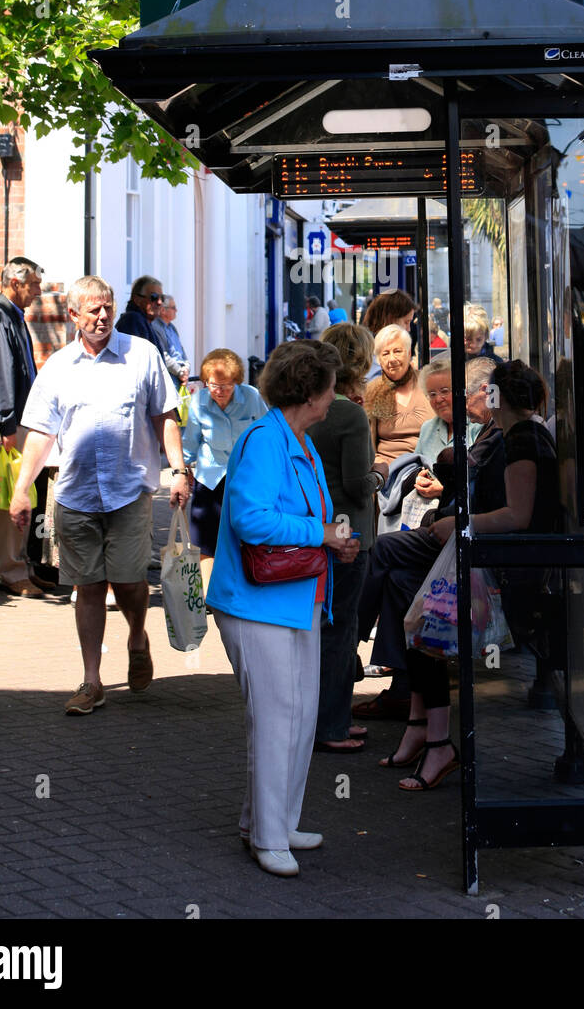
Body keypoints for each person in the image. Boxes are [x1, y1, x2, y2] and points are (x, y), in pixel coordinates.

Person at [206, 340, 360, 877]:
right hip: (258, 602)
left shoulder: (294, 438)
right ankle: (269, 835)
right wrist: (323, 533)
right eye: (329, 388)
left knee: (295, 719)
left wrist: (333, 537)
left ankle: (272, 823)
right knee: (277, 720)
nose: (334, 397)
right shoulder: (265, 441)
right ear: (311, 392)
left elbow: (295, 518)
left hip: (294, 599)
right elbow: (251, 520)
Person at [8, 275, 192, 715]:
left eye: (107, 306)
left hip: (129, 492)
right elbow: (39, 434)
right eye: (93, 309)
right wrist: (21, 490)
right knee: (87, 587)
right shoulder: (57, 367)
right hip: (74, 495)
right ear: (73, 315)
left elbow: (165, 416)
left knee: (129, 582)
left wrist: (180, 470)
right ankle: (92, 680)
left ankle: (136, 635)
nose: (103, 315)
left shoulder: (141, 355)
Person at [393, 359, 559, 790]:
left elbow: (518, 516)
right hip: (502, 564)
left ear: (497, 396)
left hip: (509, 575)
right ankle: (423, 728)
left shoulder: (522, 439)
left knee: (412, 600)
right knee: (403, 591)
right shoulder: (519, 433)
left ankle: (432, 735)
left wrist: (461, 524)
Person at [354, 358, 505, 725]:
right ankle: (403, 690)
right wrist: (425, 480)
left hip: (464, 536)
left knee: (386, 549)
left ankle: (350, 639)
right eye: (433, 392)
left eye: (452, 392)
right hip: (441, 521)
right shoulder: (434, 428)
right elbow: (431, 466)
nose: (443, 399)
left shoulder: (491, 430)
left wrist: (446, 488)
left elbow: (484, 491)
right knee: (397, 580)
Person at [311, 322, 382, 754]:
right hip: (349, 533)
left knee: (327, 628)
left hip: (316, 530)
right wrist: (382, 473)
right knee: (340, 632)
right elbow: (358, 484)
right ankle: (332, 726)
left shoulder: (316, 406)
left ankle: (332, 718)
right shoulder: (349, 413)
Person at [0, 256, 48, 597]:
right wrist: (6, 423)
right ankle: (10, 570)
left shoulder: (13, 315)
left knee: (22, 494)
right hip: (5, 423)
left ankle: (21, 565)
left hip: (17, 419)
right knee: (10, 497)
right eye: (33, 284)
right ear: (16, 283)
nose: (38, 291)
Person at [182, 348, 266, 593]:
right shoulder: (199, 401)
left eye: (226, 386)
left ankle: (240, 589)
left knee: (244, 535)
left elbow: (265, 433)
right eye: (213, 385)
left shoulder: (251, 397)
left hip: (245, 478)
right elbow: (191, 441)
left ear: (236, 382)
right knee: (205, 540)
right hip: (210, 478)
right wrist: (181, 470)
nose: (218, 391)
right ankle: (208, 593)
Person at [363, 325, 432, 470]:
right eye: (385, 354)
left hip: (429, 467)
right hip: (389, 473)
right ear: (379, 360)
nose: (392, 359)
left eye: (398, 351)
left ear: (408, 353)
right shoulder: (371, 391)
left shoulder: (428, 383)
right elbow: (367, 446)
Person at [116, 275, 189, 385]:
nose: (159, 302)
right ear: (137, 299)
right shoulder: (133, 321)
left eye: (162, 298)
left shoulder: (146, 323)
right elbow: (139, 368)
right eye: (154, 297)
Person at [361, 290, 417, 379]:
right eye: (406, 322)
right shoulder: (373, 364)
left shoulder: (367, 346)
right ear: (390, 319)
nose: (408, 329)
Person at [159, 296, 191, 385]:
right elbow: (162, 354)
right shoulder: (156, 327)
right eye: (173, 308)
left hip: (181, 375)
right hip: (170, 377)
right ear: (162, 310)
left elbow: (182, 352)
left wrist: (186, 368)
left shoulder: (172, 328)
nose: (176, 310)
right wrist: (180, 372)